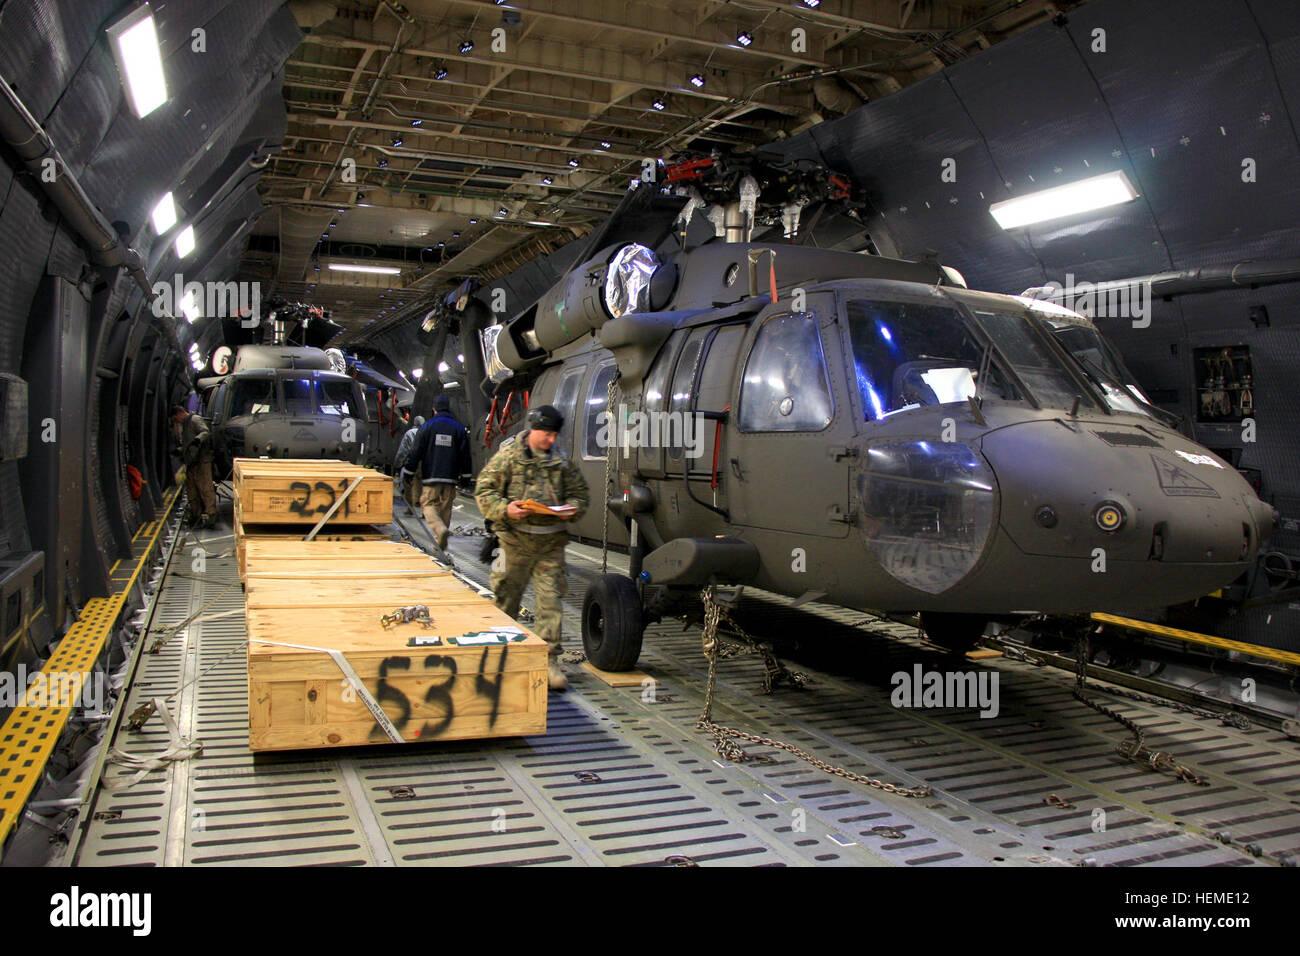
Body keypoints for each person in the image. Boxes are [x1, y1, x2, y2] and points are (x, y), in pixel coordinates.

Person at [474, 404, 589, 691]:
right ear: (533, 429)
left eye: (554, 435)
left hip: (550, 545)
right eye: (546, 434)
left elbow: (580, 494)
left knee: (550, 603)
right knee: (504, 600)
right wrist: (506, 509)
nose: (550, 440)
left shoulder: (561, 462)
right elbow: (484, 490)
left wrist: (570, 510)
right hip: (512, 543)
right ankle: (500, 656)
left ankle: (549, 661)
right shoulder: (509, 458)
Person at [403, 395, 470, 551]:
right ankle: (439, 544)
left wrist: (408, 471)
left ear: (434, 409)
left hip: (431, 476)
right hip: (451, 478)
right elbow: (465, 454)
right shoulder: (458, 428)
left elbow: (416, 451)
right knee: (446, 508)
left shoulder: (427, 427)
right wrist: (466, 476)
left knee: (428, 504)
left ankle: (440, 530)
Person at [171, 404, 217, 527]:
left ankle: (211, 515)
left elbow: (205, 432)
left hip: (202, 461)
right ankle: (196, 515)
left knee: (205, 487)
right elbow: (189, 444)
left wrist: (198, 440)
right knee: (192, 490)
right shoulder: (185, 425)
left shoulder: (195, 420)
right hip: (191, 462)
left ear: (179, 413)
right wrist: (181, 450)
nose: (177, 421)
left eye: (176, 418)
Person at [392, 414, 426, 512]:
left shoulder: (410, 433)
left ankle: (410, 508)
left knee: (408, 484)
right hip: (425, 464)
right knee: (424, 487)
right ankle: (424, 509)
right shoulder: (427, 432)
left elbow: (403, 450)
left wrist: (397, 464)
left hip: (412, 463)